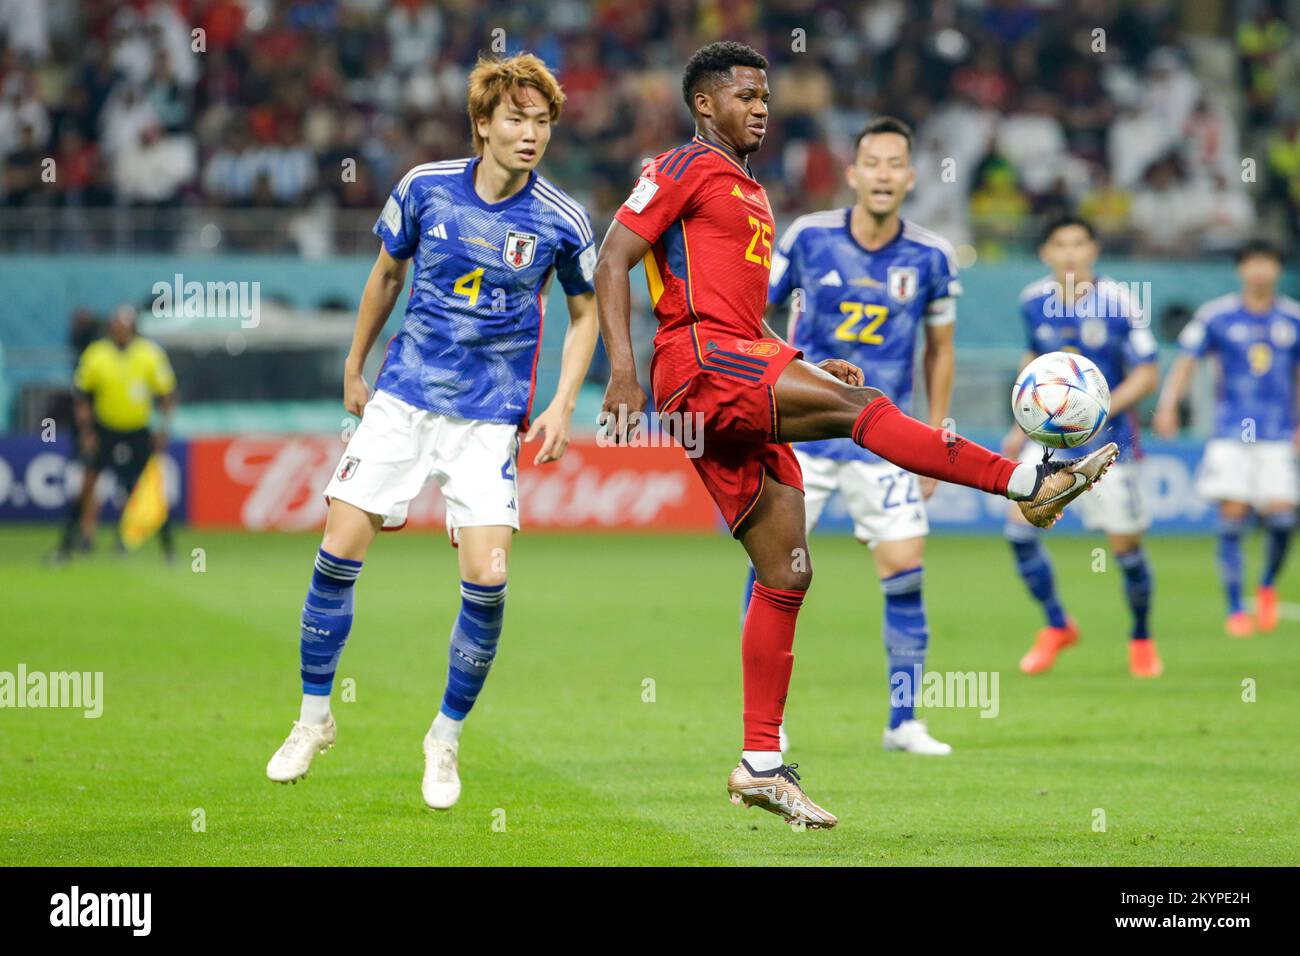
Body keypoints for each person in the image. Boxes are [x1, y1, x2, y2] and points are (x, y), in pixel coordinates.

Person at [594, 42, 1118, 830]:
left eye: (766, 94)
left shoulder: (750, 192)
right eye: (744, 95)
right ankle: (1028, 485)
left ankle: (760, 765)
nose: (762, 107)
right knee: (866, 409)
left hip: (738, 360)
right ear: (705, 105)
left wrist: (794, 357)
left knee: (787, 567)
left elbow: (736, 309)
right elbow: (612, 258)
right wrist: (624, 371)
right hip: (697, 365)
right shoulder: (681, 167)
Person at [264, 54, 600, 811]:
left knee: (488, 577)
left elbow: (587, 314)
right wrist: (355, 365)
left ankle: (444, 737)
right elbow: (386, 275)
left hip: (488, 419)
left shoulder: (562, 219)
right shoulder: (424, 189)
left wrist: (562, 402)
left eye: (543, 122)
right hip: (404, 398)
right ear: (482, 124)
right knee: (339, 546)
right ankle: (314, 718)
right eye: (516, 119)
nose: (530, 134)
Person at [746, 116, 961, 757]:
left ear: (911, 177)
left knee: (904, 567)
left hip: (884, 436)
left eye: (896, 163)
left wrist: (937, 433)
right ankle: (767, 724)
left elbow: (939, 350)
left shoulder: (932, 256)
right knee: (775, 570)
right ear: (853, 172)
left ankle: (904, 721)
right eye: (873, 162)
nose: (884, 174)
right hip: (804, 431)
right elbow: (754, 309)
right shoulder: (809, 237)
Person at [1002, 216, 1162, 678]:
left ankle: (1141, 637)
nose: (1070, 253)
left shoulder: (1120, 302)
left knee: (1125, 547)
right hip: (1050, 440)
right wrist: (1021, 421)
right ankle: (1057, 625)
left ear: (1093, 250)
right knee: (1018, 528)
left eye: (1079, 244)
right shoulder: (1033, 301)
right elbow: (1033, 359)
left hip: (1111, 444)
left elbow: (1147, 374)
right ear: (1045, 254)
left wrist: (1097, 410)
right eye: (1060, 245)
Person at [1154, 238, 1300, 636]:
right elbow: (1186, 362)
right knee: (1233, 515)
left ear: (1276, 269)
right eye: (1252, 262)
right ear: (1240, 269)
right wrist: (1168, 405)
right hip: (1231, 431)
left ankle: (1267, 584)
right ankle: (1236, 608)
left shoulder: (1292, 318)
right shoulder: (1217, 316)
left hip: (1277, 432)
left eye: (1267, 262)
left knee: (1283, 516)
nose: (1259, 270)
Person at [54, 304, 177, 563]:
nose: (121, 331)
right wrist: (87, 432)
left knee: (150, 488)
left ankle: (168, 549)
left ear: (133, 328)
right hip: (105, 429)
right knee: (88, 484)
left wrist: (163, 429)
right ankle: (66, 546)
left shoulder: (149, 354)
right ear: (111, 328)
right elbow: (83, 397)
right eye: (117, 326)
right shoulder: (97, 355)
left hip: (138, 430)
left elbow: (166, 395)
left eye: (125, 326)